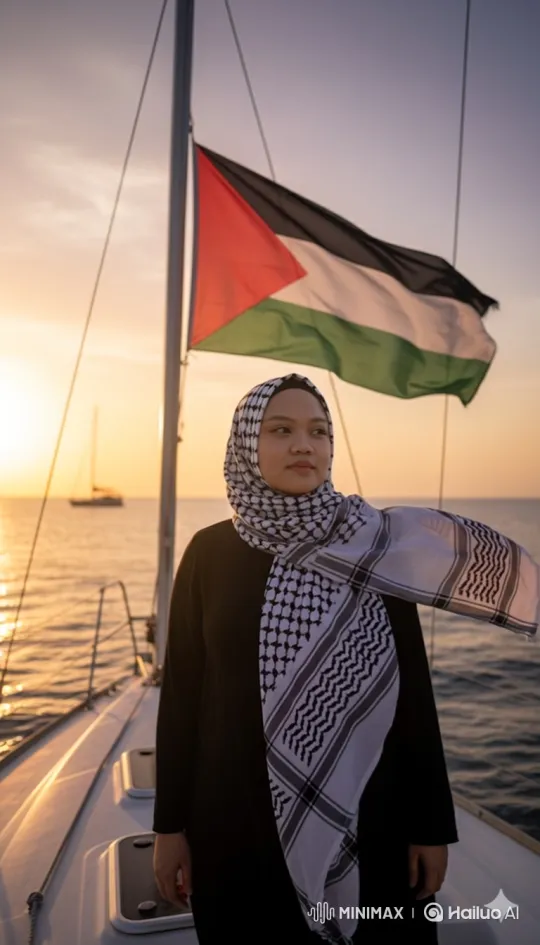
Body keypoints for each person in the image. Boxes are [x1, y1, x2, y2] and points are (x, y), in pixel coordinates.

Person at [152, 373, 539, 945]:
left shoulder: (371, 547)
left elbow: (412, 694)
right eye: (280, 430)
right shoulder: (210, 553)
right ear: (246, 445)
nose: (304, 445)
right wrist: (169, 827)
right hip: (235, 820)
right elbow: (183, 695)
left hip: (372, 812)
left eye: (318, 431)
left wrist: (431, 827)